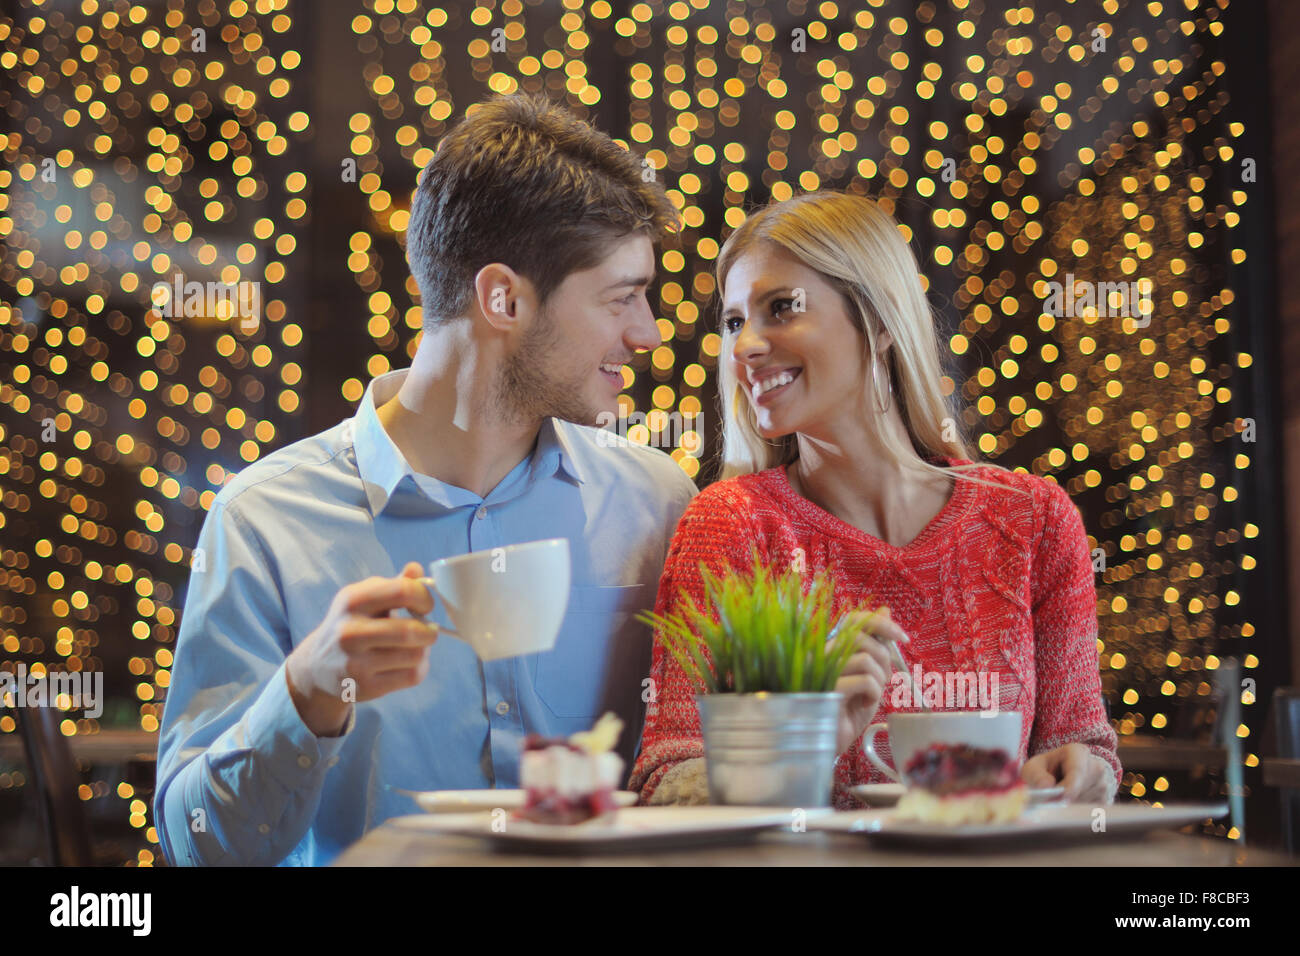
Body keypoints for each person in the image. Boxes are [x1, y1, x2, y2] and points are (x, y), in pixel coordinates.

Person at [155, 94, 696, 865]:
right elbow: (195, 847)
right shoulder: (265, 520)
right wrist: (304, 697)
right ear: (502, 297)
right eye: (622, 298)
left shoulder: (655, 504)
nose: (646, 332)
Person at [630, 191, 1121, 808]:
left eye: (781, 308)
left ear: (881, 321)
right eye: (733, 322)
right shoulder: (732, 525)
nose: (745, 346)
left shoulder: (1033, 519)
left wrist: (1086, 773)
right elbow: (666, 780)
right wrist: (803, 747)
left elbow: (1082, 746)